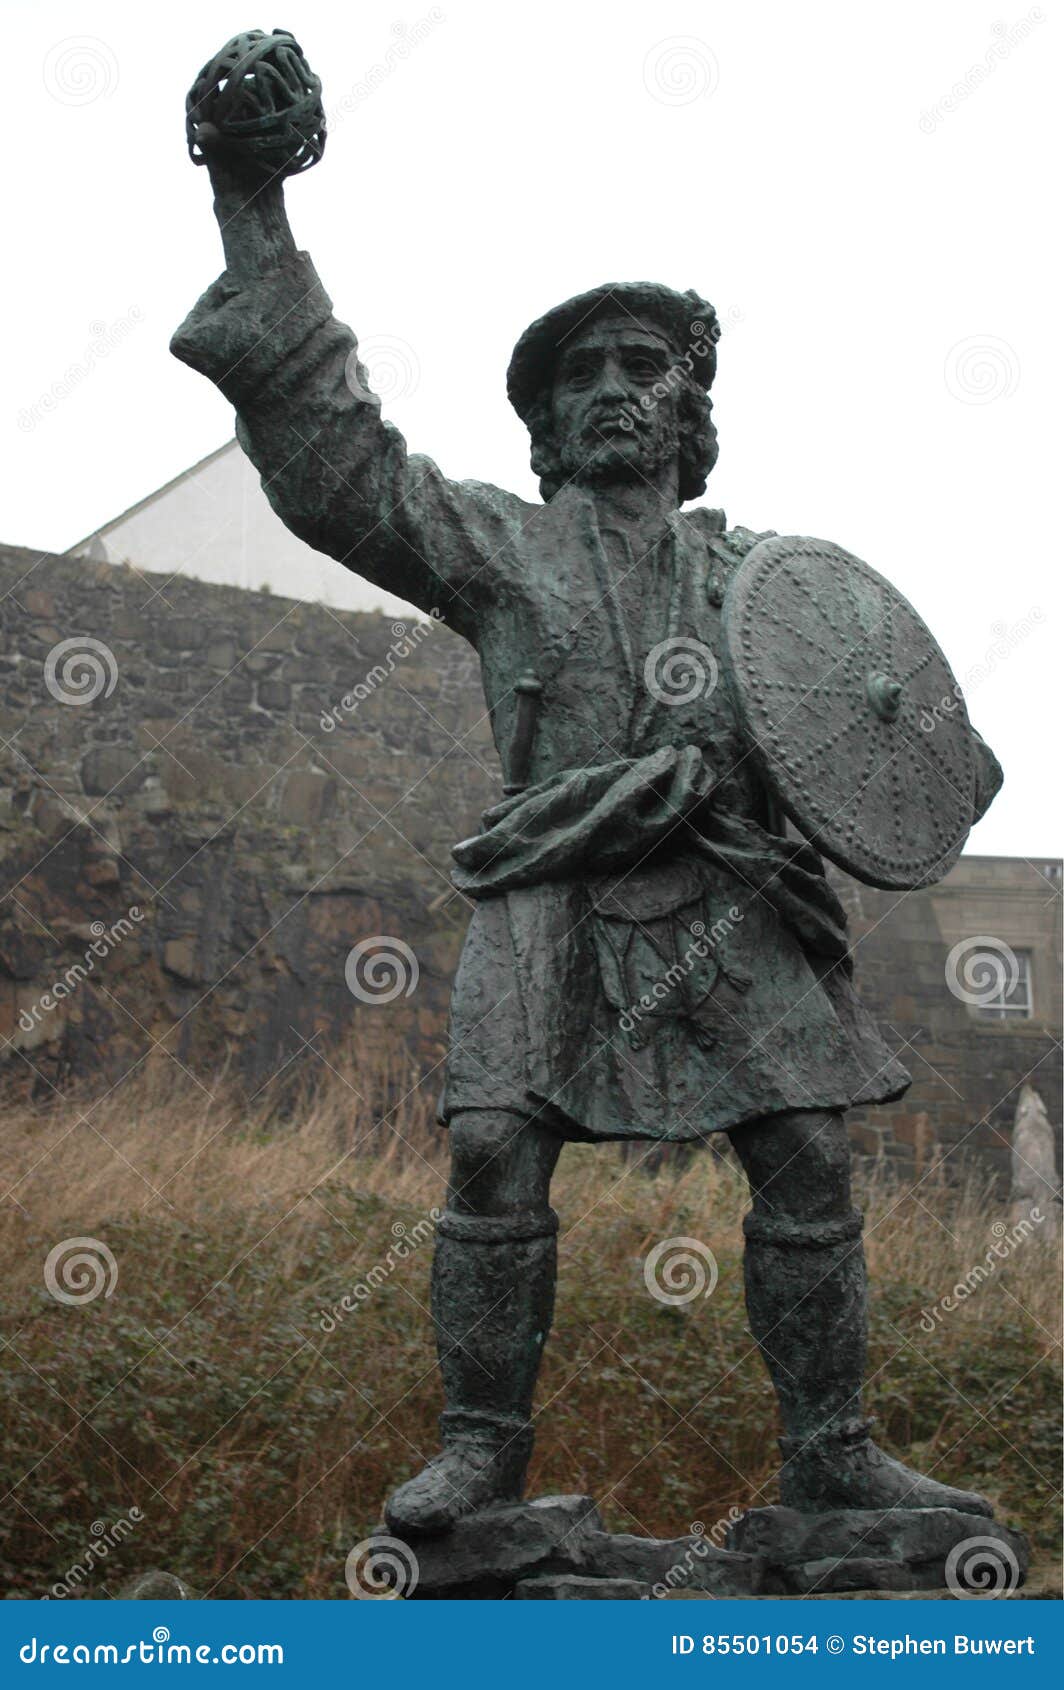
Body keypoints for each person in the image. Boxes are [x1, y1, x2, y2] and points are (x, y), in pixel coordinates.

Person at [173, 134, 998, 1535]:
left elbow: (914, 746)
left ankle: (835, 1455)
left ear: (688, 414)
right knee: (492, 1147)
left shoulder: (765, 586)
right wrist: (254, 206)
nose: (613, 387)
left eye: (642, 365)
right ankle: (484, 1454)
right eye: (583, 374)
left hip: (728, 895)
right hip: (549, 884)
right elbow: (340, 472)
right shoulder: (502, 548)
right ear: (549, 427)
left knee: (808, 1148)